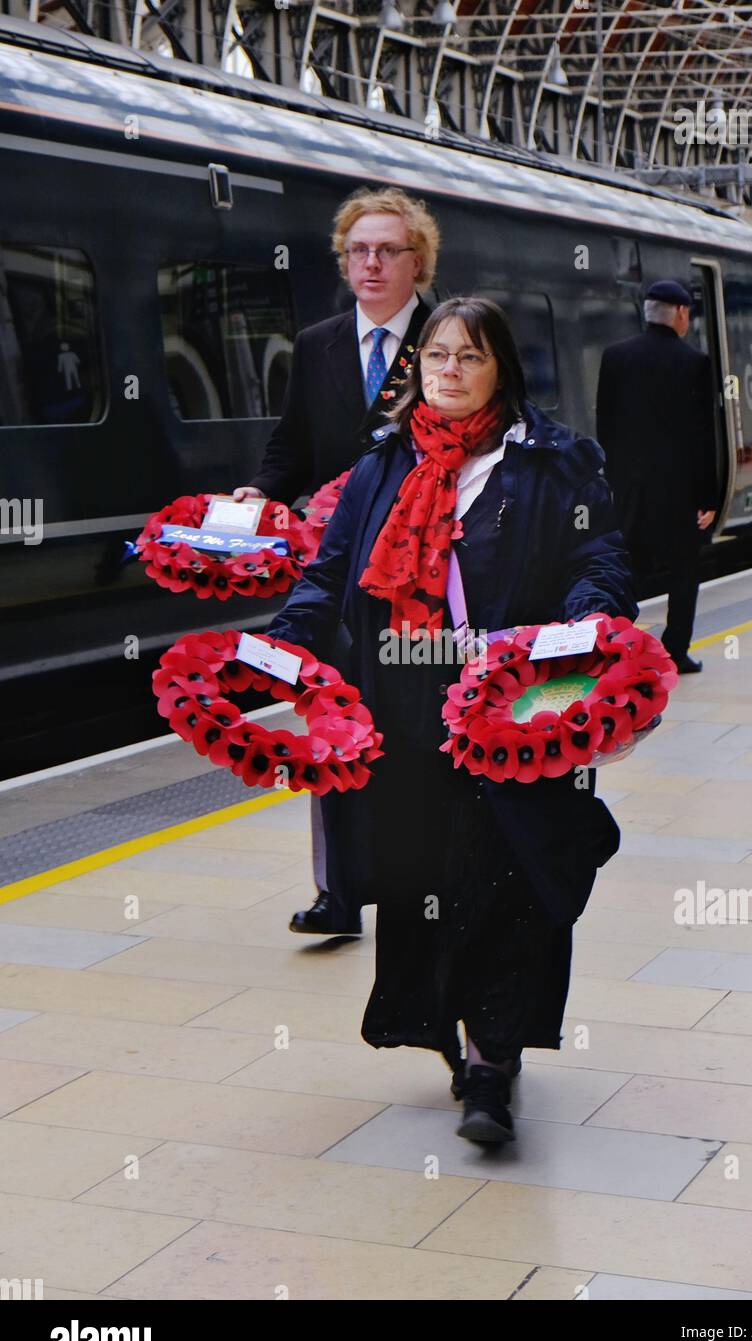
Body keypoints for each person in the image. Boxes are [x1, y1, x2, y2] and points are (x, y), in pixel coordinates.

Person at [267, 297, 636, 1145]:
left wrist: (583, 623)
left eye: (469, 357)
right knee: (429, 888)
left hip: (515, 711)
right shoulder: (384, 468)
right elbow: (328, 577)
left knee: (512, 882)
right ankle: (460, 1044)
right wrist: (284, 647)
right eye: (436, 356)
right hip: (407, 718)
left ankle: (495, 1064)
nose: (450, 371)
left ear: (501, 366)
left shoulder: (553, 463)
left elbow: (599, 556)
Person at [233, 186, 437, 935]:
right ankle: (340, 894)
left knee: (420, 734)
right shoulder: (318, 342)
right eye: (359, 251)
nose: (372, 263)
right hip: (336, 579)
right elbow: (293, 447)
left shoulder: (448, 339)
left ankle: (422, 881)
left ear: (419, 260)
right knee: (337, 727)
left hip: (426, 583)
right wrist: (260, 491)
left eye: (388, 250)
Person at [596, 279, 717, 674]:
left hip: (629, 489)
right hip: (679, 493)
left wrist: (614, 481)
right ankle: (675, 651)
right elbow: (703, 437)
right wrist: (707, 498)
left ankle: (619, 648)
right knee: (684, 573)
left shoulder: (614, 357)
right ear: (681, 314)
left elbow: (605, 426)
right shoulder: (695, 363)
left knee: (629, 569)